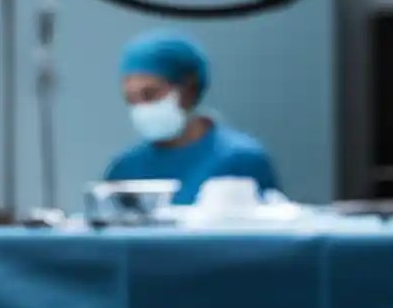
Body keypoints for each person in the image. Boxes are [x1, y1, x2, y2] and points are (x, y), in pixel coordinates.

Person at [104, 31, 279, 205]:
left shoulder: (240, 159)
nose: (141, 107)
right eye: (131, 99)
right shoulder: (126, 168)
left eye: (150, 94)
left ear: (188, 88)